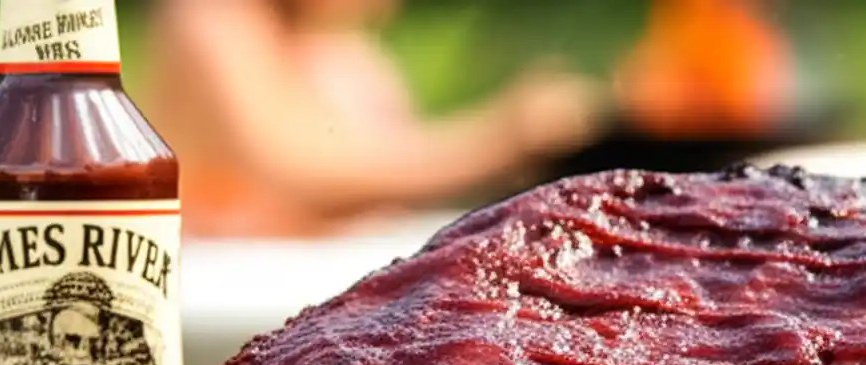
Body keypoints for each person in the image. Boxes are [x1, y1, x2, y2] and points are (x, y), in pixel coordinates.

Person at [146, 0, 609, 237]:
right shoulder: (215, 21)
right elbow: (293, 174)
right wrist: (499, 139)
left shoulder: (347, 56)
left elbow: (393, 180)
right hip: (221, 316)